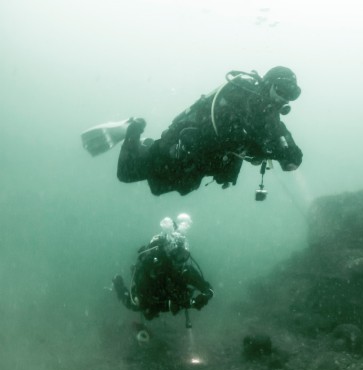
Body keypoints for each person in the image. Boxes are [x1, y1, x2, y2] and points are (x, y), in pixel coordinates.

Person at [92, 66, 303, 197]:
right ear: (267, 84)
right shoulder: (239, 94)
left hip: (200, 164)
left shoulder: (269, 116)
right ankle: (132, 129)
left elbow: (280, 134)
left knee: (159, 189)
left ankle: (144, 144)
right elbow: (231, 135)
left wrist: (292, 152)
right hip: (177, 148)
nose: (284, 99)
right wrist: (273, 151)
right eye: (281, 90)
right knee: (127, 174)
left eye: (291, 94)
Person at [112, 213, 214, 321]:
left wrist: (204, 297)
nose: (180, 260)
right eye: (177, 255)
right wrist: (170, 305)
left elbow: (208, 289)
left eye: (184, 256)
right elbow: (145, 297)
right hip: (150, 295)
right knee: (136, 305)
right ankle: (118, 285)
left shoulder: (185, 270)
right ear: (170, 254)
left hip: (168, 298)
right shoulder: (155, 266)